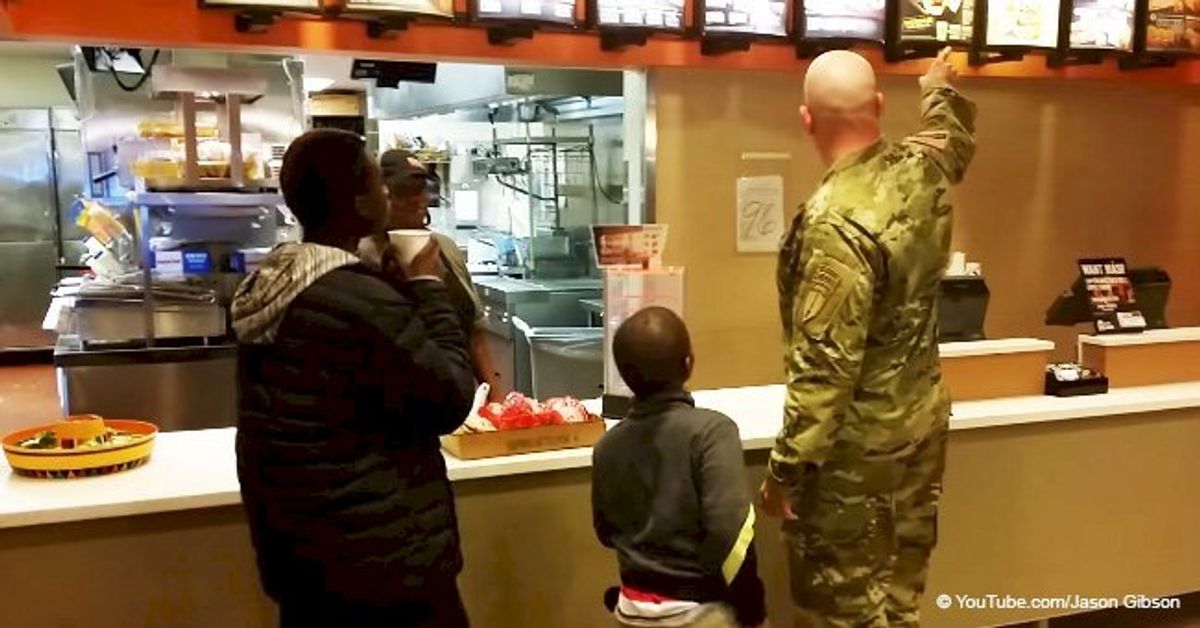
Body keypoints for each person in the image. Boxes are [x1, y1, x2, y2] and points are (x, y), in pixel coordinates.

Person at [759, 48, 977, 627]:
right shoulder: (920, 168)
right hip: (921, 434)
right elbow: (947, 136)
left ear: (806, 119)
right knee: (902, 598)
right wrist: (936, 85)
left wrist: (785, 473)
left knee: (846, 610)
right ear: (879, 106)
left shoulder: (834, 224)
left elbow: (824, 374)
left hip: (855, 464)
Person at [231, 129, 475, 628]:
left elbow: (358, 395)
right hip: (381, 561)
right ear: (359, 202)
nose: (389, 194)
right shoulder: (358, 299)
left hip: (300, 552)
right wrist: (427, 288)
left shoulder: (277, 282)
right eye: (375, 183)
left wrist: (387, 283)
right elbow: (450, 398)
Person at [592, 307, 767, 628]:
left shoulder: (606, 446)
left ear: (625, 376)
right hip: (700, 612)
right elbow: (731, 533)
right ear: (688, 363)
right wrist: (752, 610)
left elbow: (605, 532)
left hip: (632, 610)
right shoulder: (712, 432)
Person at [360, 149, 505, 403]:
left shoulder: (444, 248)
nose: (418, 200)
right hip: (389, 402)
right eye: (404, 192)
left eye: (421, 190)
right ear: (383, 197)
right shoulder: (363, 254)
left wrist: (494, 397)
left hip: (454, 397)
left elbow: (473, 332)